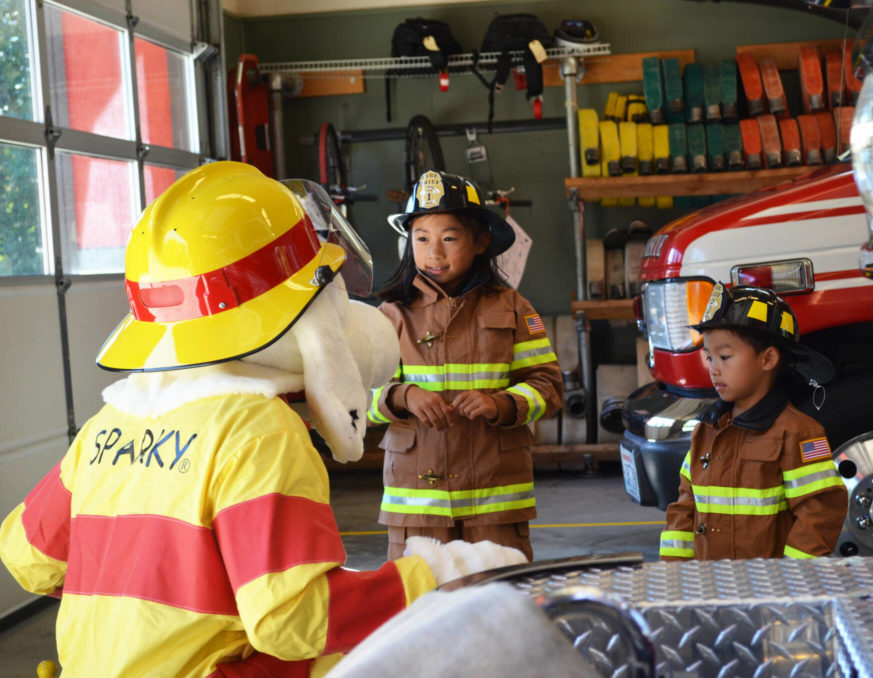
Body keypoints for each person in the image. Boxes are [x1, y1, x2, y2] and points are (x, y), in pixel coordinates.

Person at [0, 162, 524, 678]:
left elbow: (28, 556)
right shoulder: (258, 433)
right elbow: (293, 617)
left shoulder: (109, 424)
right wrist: (437, 578)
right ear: (304, 315)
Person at [368, 170, 563, 562]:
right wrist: (404, 395)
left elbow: (548, 386)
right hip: (417, 505)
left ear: (481, 242)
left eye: (449, 238)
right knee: (422, 609)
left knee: (497, 606)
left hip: (495, 499)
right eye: (421, 238)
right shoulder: (390, 315)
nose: (434, 252)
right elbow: (358, 399)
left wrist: (501, 404)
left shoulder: (513, 308)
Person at [659, 282, 847, 561]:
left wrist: (791, 581)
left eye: (725, 356)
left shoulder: (800, 433)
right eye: (709, 357)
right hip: (711, 587)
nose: (714, 369)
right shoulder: (706, 431)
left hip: (771, 592)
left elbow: (819, 515)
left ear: (768, 358)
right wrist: (675, 574)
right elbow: (685, 508)